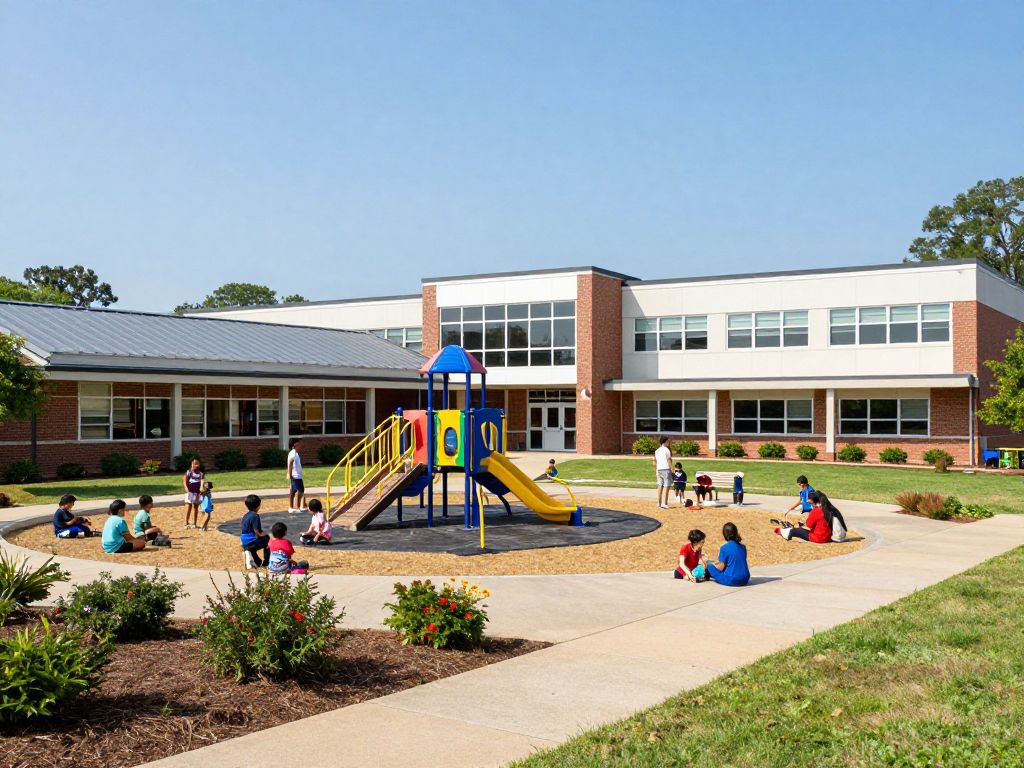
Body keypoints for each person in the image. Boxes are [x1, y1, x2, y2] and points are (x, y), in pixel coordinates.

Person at [777, 491, 847, 543]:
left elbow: (809, 525)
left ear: (815, 502)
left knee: (796, 531)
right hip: (828, 537)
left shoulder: (816, 511)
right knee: (800, 528)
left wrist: (797, 526)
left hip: (819, 538)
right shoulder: (830, 508)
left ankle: (783, 532)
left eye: (810, 503)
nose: (810, 505)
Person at [705, 522, 750, 587]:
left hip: (733, 580)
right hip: (745, 579)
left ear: (724, 534)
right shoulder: (743, 547)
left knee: (709, 566)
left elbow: (721, 568)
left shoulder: (724, 548)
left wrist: (711, 565)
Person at [240, 493, 271, 569]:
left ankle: (256, 561)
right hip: (250, 542)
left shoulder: (245, 515)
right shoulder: (255, 516)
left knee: (256, 545)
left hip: (244, 541)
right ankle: (266, 562)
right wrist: (265, 535)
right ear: (258, 505)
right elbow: (257, 532)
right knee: (267, 539)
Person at [183, 457, 204, 530]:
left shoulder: (200, 474)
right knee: (188, 507)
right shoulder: (188, 472)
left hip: (197, 493)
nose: (195, 465)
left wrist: (201, 490)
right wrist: (186, 489)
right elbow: (185, 481)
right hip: (190, 492)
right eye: (194, 463)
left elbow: (202, 482)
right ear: (191, 464)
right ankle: (186, 523)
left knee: (195, 508)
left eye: (197, 463)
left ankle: (194, 523)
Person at [653, 437, 672, 509]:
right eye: (668, 441)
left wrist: (656, 470)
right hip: (666, 469)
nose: (669, 443)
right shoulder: (667, 450)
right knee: (667, 486)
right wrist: (672, 471)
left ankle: (659, 503)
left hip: (659, 469)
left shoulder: (657, 450)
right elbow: (669, 461)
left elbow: (655, 462)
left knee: (660, 486)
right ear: (665, 442)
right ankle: (665, 503)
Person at [287, 438, 305, 514]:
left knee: (293, 491)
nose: (300, 445)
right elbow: (290, 462)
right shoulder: (293, 453)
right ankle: (297, 507)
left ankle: (292, 507)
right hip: (296, 476)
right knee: (300, 491)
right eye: (298, 444)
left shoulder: (294, 452)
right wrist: (289, 474)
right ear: (295, 445)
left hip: (296, 476)